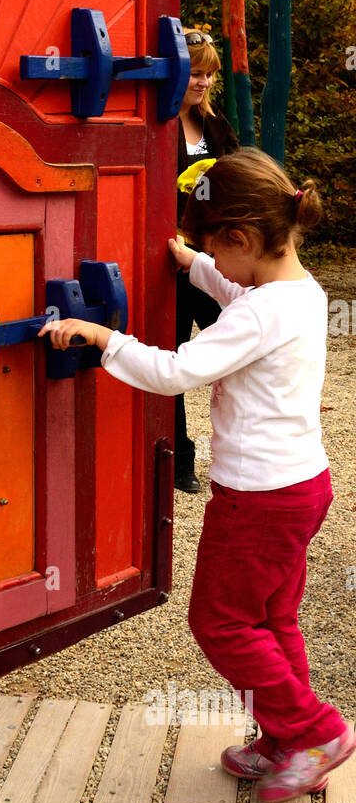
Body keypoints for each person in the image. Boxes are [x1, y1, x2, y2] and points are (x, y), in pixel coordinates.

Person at [38, 147, 353, 801]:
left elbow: (176, 371)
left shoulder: (257, 313)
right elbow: (239, 290)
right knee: (273, 619)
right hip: (302, 487)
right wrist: (197, 264)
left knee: (221, 622)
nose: (209, 252)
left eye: (212, 240)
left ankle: (313, 731)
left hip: (257, 501)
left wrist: (103, 339)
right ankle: (288, 741)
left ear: (240, 236)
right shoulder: (298, 293)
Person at [174, 29, 239, 493]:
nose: (204, 83)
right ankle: (179, 458)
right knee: (172, 355)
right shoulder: (155, 127)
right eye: (197, 73)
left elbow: (238, 181)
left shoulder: (217, 128)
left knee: (237, 344)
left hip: (214, 257)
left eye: (210, 75)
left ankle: (241, 452)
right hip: (171, 259)